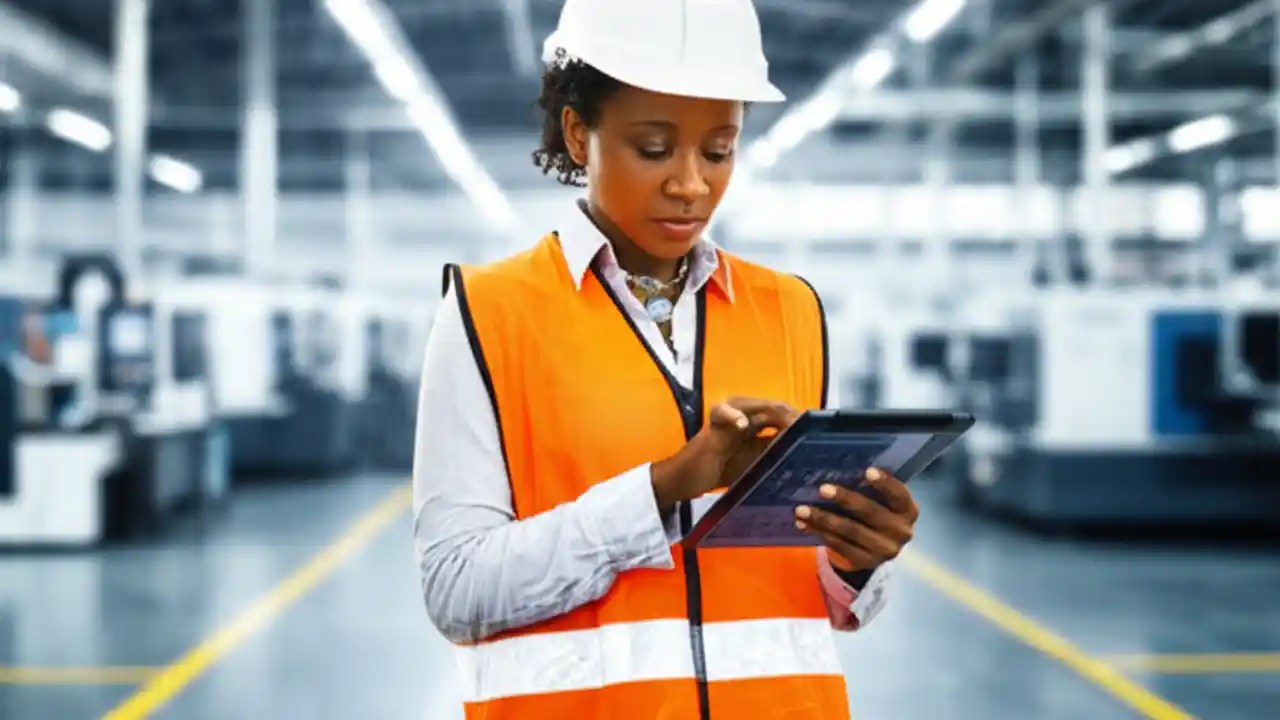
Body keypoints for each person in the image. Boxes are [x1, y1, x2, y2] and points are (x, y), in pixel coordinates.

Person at [412, 1, 921, 718]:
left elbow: (822, 601)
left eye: (718, 151)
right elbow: (456, 589)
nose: (690, 183)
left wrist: (860, 556)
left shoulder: (791, 311)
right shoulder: (488, 313)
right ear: (578, 133)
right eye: (654, 149)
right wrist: (664, 486)